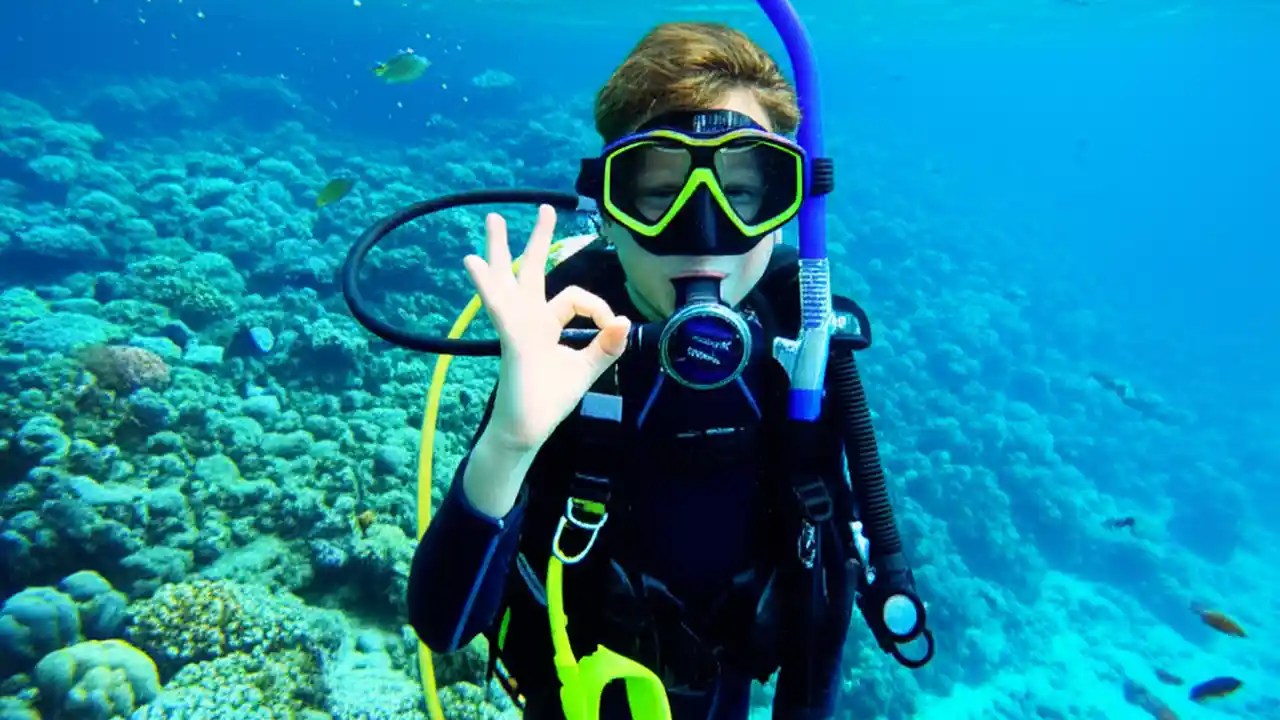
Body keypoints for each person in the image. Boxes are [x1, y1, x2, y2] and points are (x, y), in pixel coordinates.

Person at [405, 21, 929, 720]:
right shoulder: (565, 336)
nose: (702, 234)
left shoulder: (804, 346)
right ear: (609, 214)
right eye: (656, 191)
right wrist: (511, 442)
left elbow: (823, 604)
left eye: (743, 192)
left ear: (784, 212)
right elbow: (446, 626)